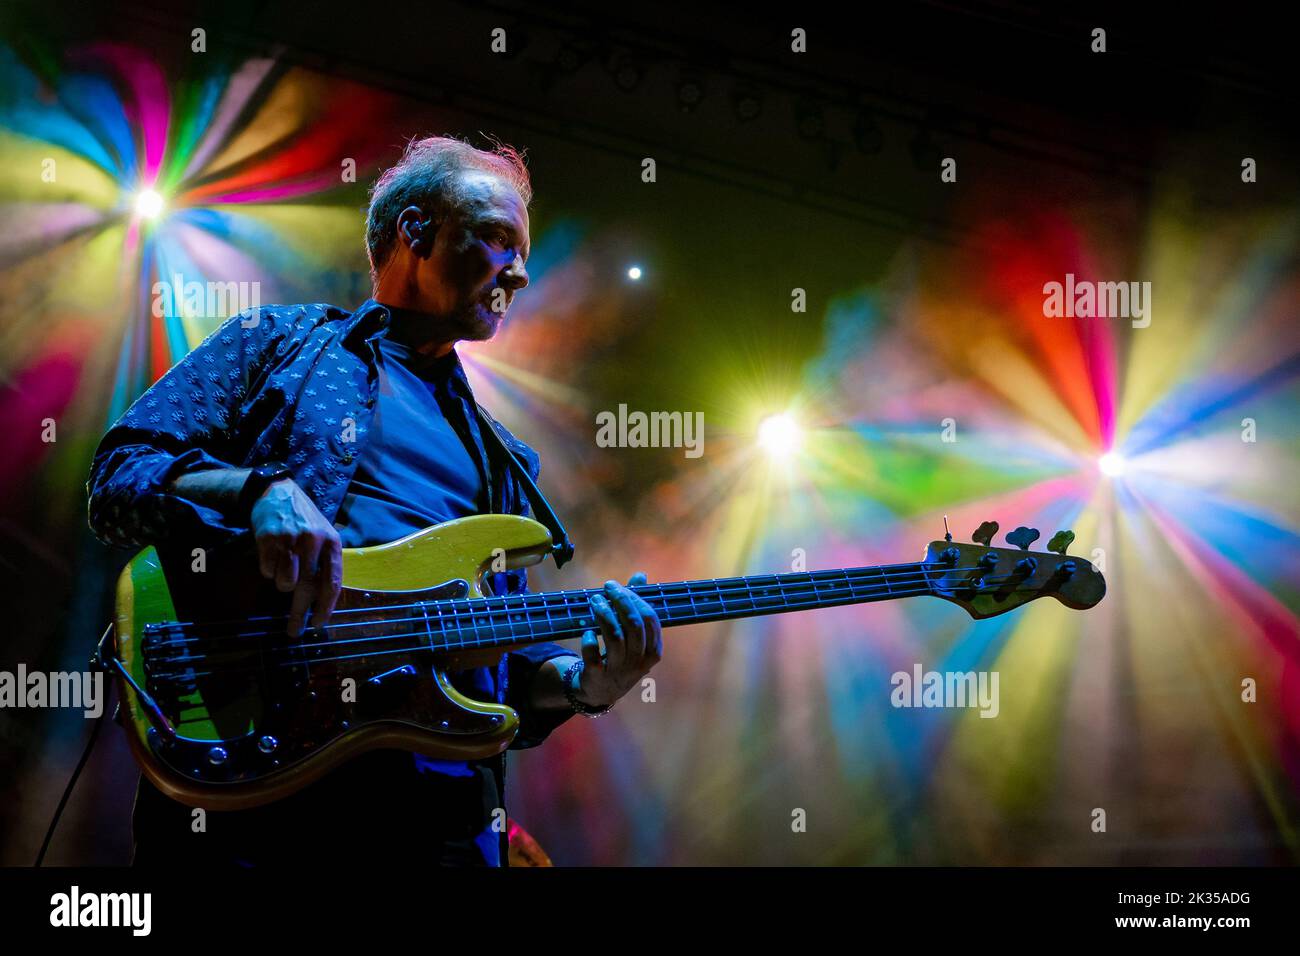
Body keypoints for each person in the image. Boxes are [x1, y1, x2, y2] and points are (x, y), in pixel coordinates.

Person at [86, 135, 662, 866]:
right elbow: (121, 475)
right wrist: (257, 491)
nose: (518, 271)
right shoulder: (279, 343)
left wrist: (585, 683)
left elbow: (491, 671)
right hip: (261, 786)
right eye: (494, 238)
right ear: (415, 231)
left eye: (523, 250)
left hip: (435, 820)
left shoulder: (504, 460)